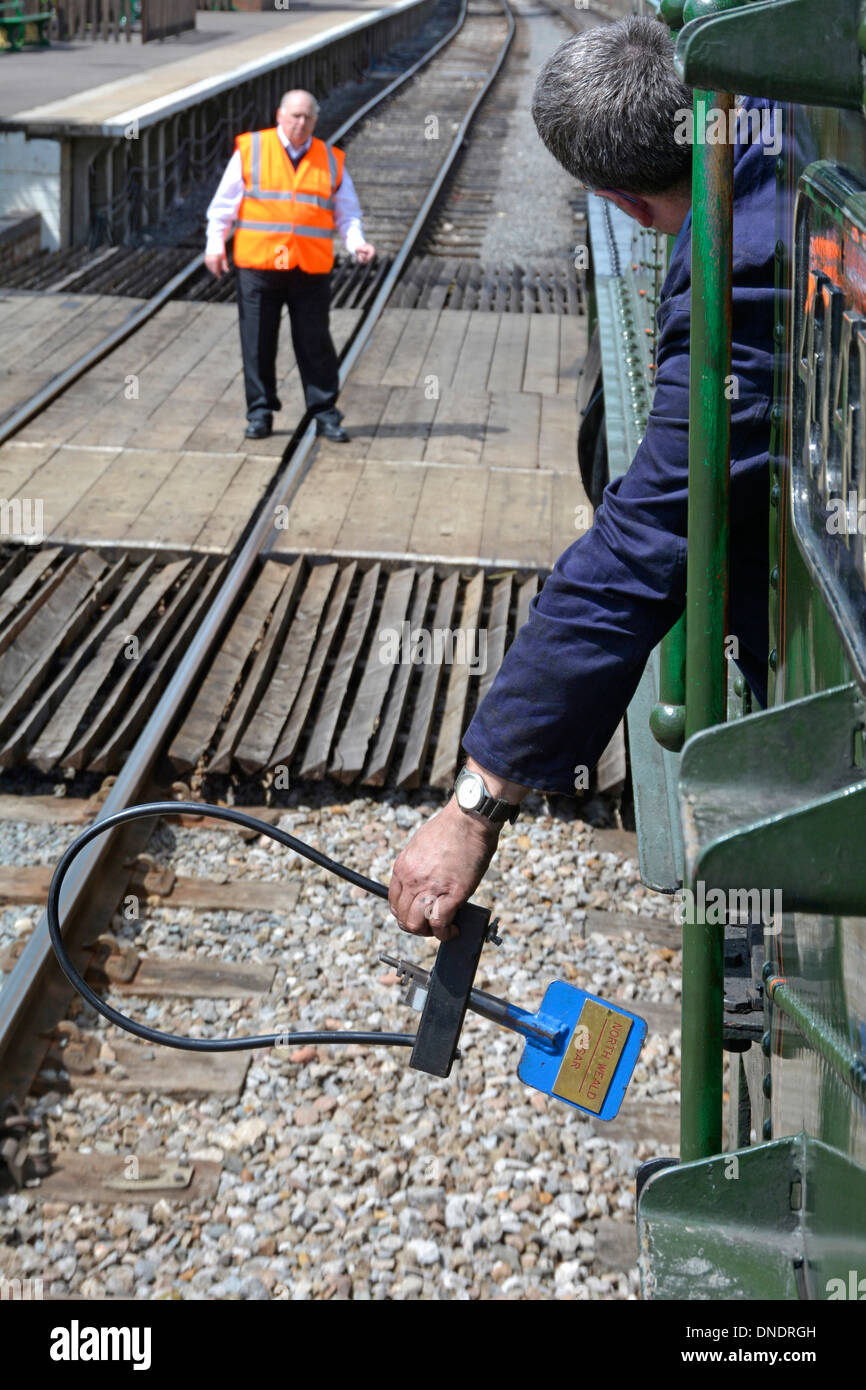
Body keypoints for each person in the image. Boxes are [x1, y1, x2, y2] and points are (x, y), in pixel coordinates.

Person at [387, 16, 779, 942]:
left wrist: (474, 802)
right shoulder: (776, 101)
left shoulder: (744, 271)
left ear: (627, 207)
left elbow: (645, 542)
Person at [205, 89, 375, 442]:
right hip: (261, 265)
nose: (300, 123)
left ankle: (325, 412)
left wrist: (356, 243)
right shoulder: (252, 150)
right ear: (279, 115)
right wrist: (214, 245)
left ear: (315, 120)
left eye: (307, 117)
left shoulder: (330, 159)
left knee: (316, 343)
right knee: (257, 342)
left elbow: (348, 213)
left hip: (307, 268)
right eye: (295, 115)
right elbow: (224, 205)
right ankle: (260, 412)